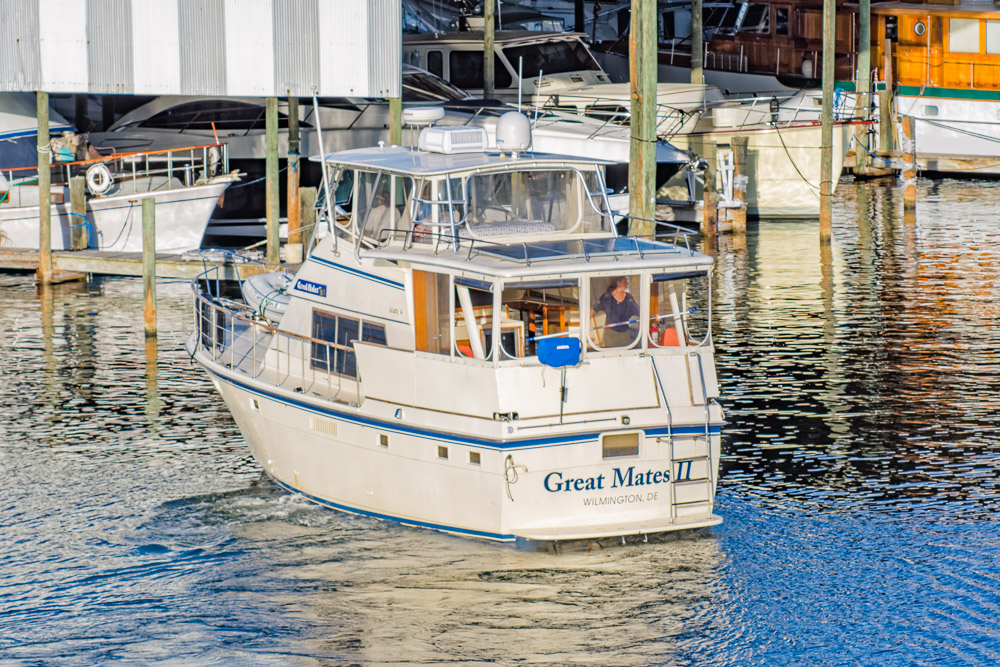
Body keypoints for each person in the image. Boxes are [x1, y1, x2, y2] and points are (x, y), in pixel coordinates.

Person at [591, 277, 640, 347]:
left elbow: (638, 311)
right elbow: (594, 308)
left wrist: (651, 316)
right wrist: (584, 322)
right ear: (618, 282)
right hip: (610, 333)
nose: (627, 283)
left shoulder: (628, 298)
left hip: (624, 334)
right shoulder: (606, 297)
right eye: (625, 281)